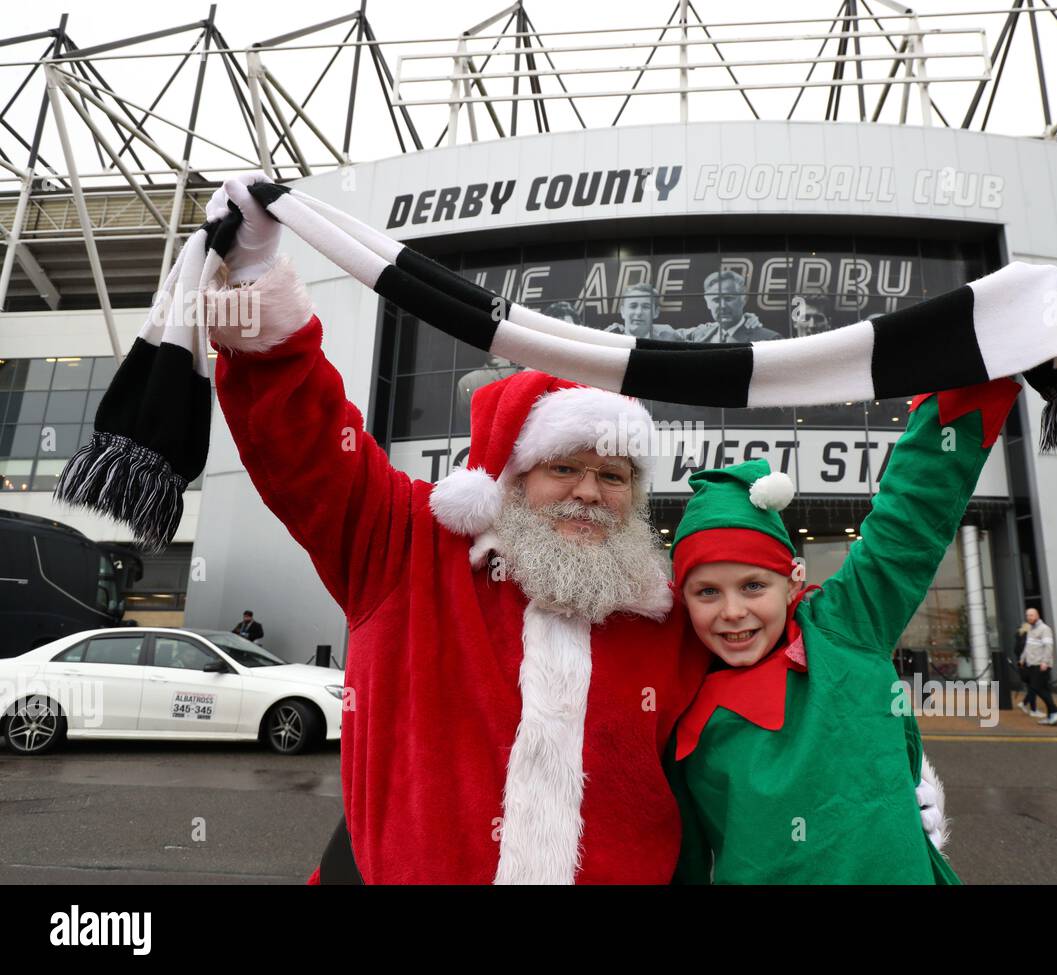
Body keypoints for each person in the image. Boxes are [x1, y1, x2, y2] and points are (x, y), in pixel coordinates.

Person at [202, 175, 948, 885]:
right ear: (516, 476)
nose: (590, 490)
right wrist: (253, 278)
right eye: (565, 466)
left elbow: (778, 698)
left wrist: (893, 775)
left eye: (615, 475)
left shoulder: (664, 618)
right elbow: (303, 444)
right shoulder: (404, 548)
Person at [665, 376, 1024, 883]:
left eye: (752, 586)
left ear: (792, 584)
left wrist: (981, 365)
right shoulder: (678, 704)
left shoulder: (843, 628)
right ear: (683, 600)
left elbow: (911, 515)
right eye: (707, 592)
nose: (731, 611)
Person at [677, 270, 782, 342]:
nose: (722, 306)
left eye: (728, 298)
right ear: (707, 303)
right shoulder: (699, 336)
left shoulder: (768, 339)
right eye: (716, 300)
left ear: (743, 299)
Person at [1018, 607, 1057, 726]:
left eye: (1031, 615)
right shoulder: (1030, 629)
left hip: (1040, 664)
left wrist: (1045, 662)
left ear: (1037, 615)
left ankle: (1055, 710)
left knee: (1036, 688)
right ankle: (1051, 716)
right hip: (1032, 664)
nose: (1029, 617)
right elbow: (1028, 646)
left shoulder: (1044, 629)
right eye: (1027, 615)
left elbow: (1048, 647)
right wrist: (1022, 659)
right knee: (1044, 689)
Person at [603, 283, 680, 340]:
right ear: (623, 311)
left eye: (646, 307)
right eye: (633, 306)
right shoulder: (608, 337)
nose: (639, 312)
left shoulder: (668, 336)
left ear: (656, 312)